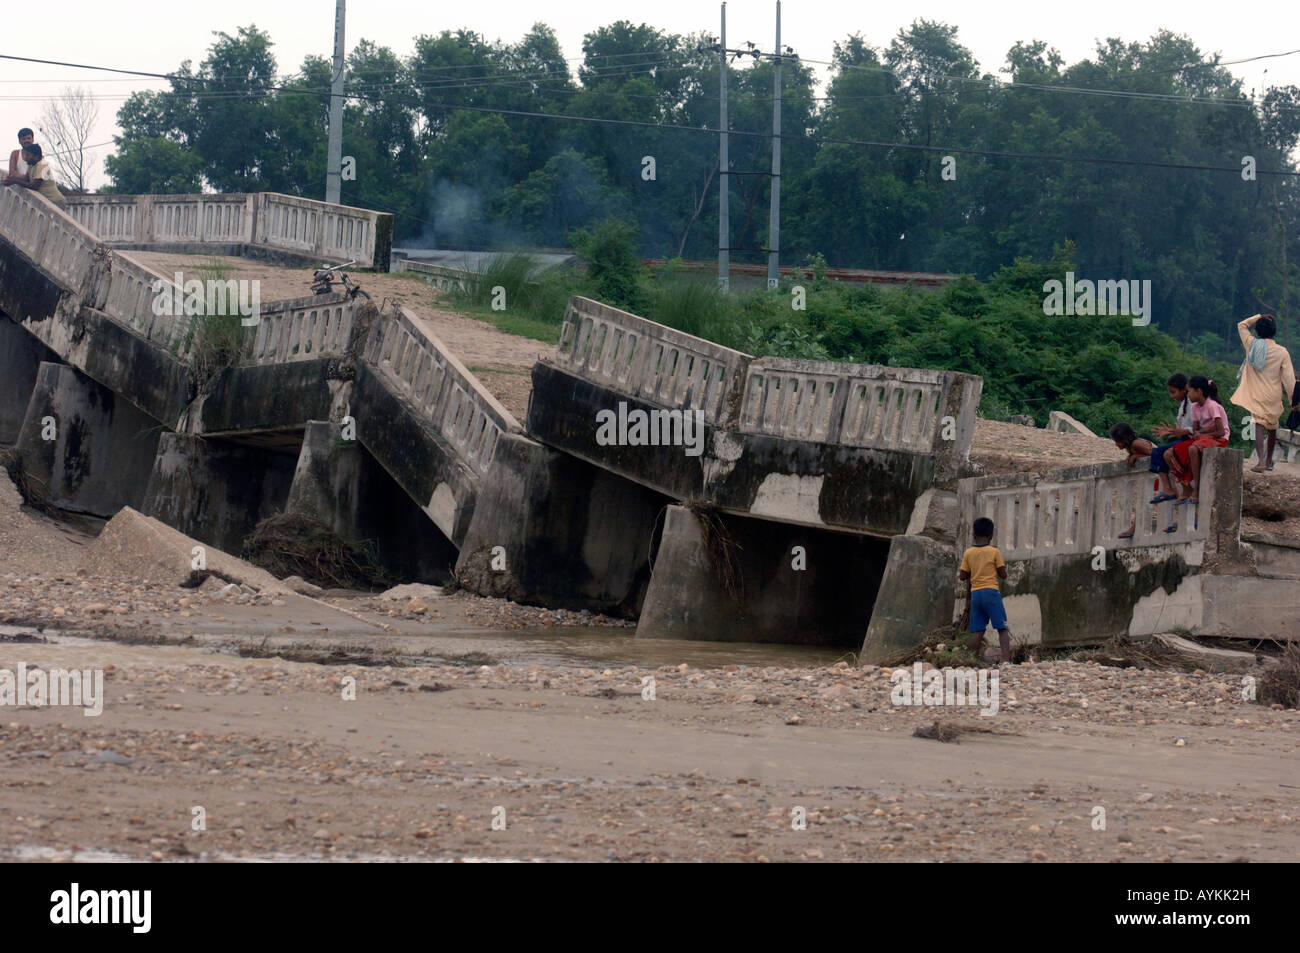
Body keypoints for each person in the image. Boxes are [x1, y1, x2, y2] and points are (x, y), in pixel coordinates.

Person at [1230, 313, 1297, 472]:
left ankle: (1260, 461)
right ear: (1274, 332)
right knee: (1273, 427)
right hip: (1273, 395)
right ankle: (1269, 461)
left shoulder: (1251, 344)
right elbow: (1289, 380)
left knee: (1259, 424)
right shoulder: (1282, 352)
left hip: (1257, 394)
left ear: (1258, 332)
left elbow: (1242, 325)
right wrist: (1293, 400)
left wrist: (1259, 316)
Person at [1164, 376, 1229, 504]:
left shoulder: (1212, 406)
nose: (1188, 394)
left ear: (1199, 392)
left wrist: (1203, 433)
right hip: (1203, 438)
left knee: (1193, 449)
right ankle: (1186, 486)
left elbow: (1221, 432)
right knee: (1168, 454)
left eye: (1190, 391)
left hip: (1219, 438)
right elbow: (1195, 432)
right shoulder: (1194, 408)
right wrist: (1200, 432)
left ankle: (1197, 489)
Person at [959, 516, 1012, 664]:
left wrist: (974, 570)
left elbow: (963, 576)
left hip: (976, 594)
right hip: (991, 592)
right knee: (1002, 627)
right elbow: (1003, 574)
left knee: (977, 631)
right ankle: (1005, 660)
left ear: (973, 535)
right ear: (991, 536)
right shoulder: (994, 552)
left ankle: (972, 661)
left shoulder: (968, 553)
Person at [1108, 422, 1163, 538]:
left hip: (1159, 474)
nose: (1116, 444)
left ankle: (1133, 529)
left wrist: (1136, 456)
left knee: (1145, 502)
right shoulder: (1131, 446)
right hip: (1153, 476)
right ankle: (1133, 529)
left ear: (1124, 439)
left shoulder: (1136, 444)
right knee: (1144, 502)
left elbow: (1155, 454)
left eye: (1117, 441)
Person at [1149, 373, 1194, 502]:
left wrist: (1179, 431)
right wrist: (1171, 431)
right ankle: (1169, 488)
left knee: (1158, 452)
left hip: (1190, 440)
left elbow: (1196, 428)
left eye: (1173, 392)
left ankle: (1169, 489)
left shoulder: (1192, 404)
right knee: (1160, 451)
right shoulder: (1184, 404)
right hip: (1185, 438)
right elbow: (1180, 428)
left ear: (1183, 389)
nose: (1172, 396)